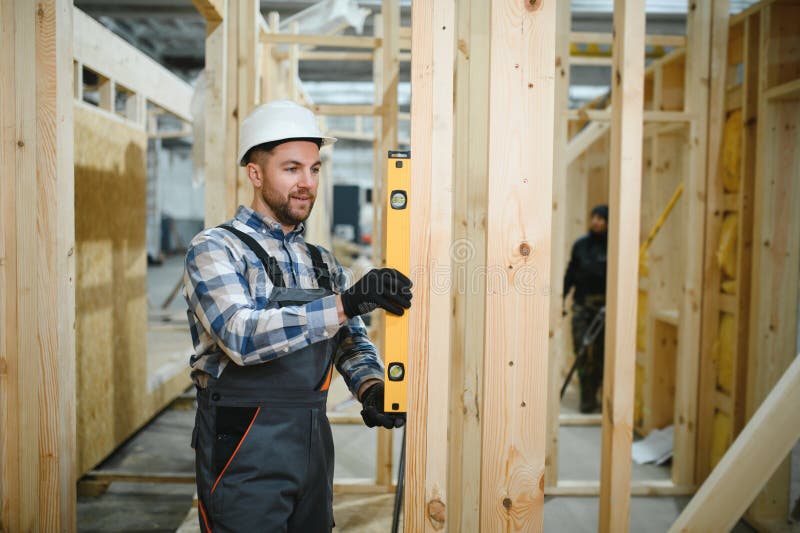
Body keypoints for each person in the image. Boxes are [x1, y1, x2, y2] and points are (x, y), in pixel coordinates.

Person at [183, 100, 412, 532]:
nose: (307, 183)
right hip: (243, 444)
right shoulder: (214, 248)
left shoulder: (321, 261)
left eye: (315, 168)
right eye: (291, 169)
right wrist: (346, 302)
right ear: (255, 173)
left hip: (311, 438)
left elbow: (349, 339)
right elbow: (240, 336)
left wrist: (371, 386)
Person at [563, 204, 608, 413]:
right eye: (594, 217)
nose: (596, 222)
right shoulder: (581, 246)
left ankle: (594, 395)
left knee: (600, 355)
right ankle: (586, 397)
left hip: (605, 310)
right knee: (582, 351)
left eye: (601, 218)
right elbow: (570, 273)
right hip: (582, 307)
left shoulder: (613, 248)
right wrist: (561, 299)